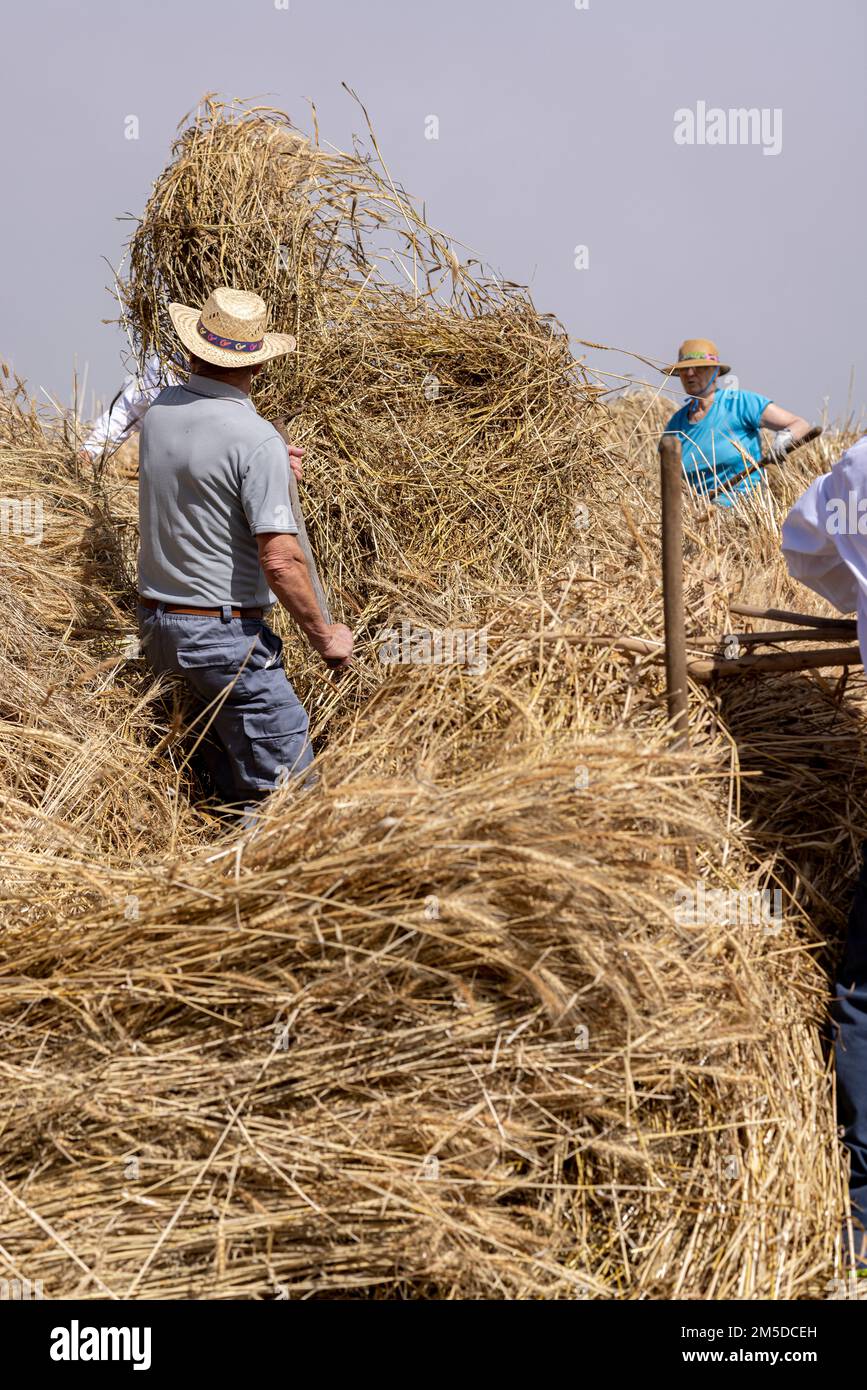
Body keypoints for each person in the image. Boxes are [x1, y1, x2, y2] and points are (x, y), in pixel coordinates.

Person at [136, 285, 353, 812]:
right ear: (256, 364)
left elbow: (199, 478)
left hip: (159, 630)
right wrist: (325, 637)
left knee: (232, 795)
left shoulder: (159, 412)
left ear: (192, 350)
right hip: (222, 639)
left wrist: (272, 468)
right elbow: (279, 560)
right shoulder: (255, 440)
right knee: (292, 802)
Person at [781, 430, 867, 1264]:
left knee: (864, 993)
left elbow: (804, 547)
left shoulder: (863, 463)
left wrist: (862, 598)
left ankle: (865, 1212)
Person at [661, 338, 812, 507]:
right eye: (684, 369)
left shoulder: (740, 403)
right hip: (700, 517)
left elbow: (801, 425)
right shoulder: (675, 426)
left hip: (744, 510)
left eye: (699, 367)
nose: (690, 374)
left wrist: (785, 438)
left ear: (716, 372)